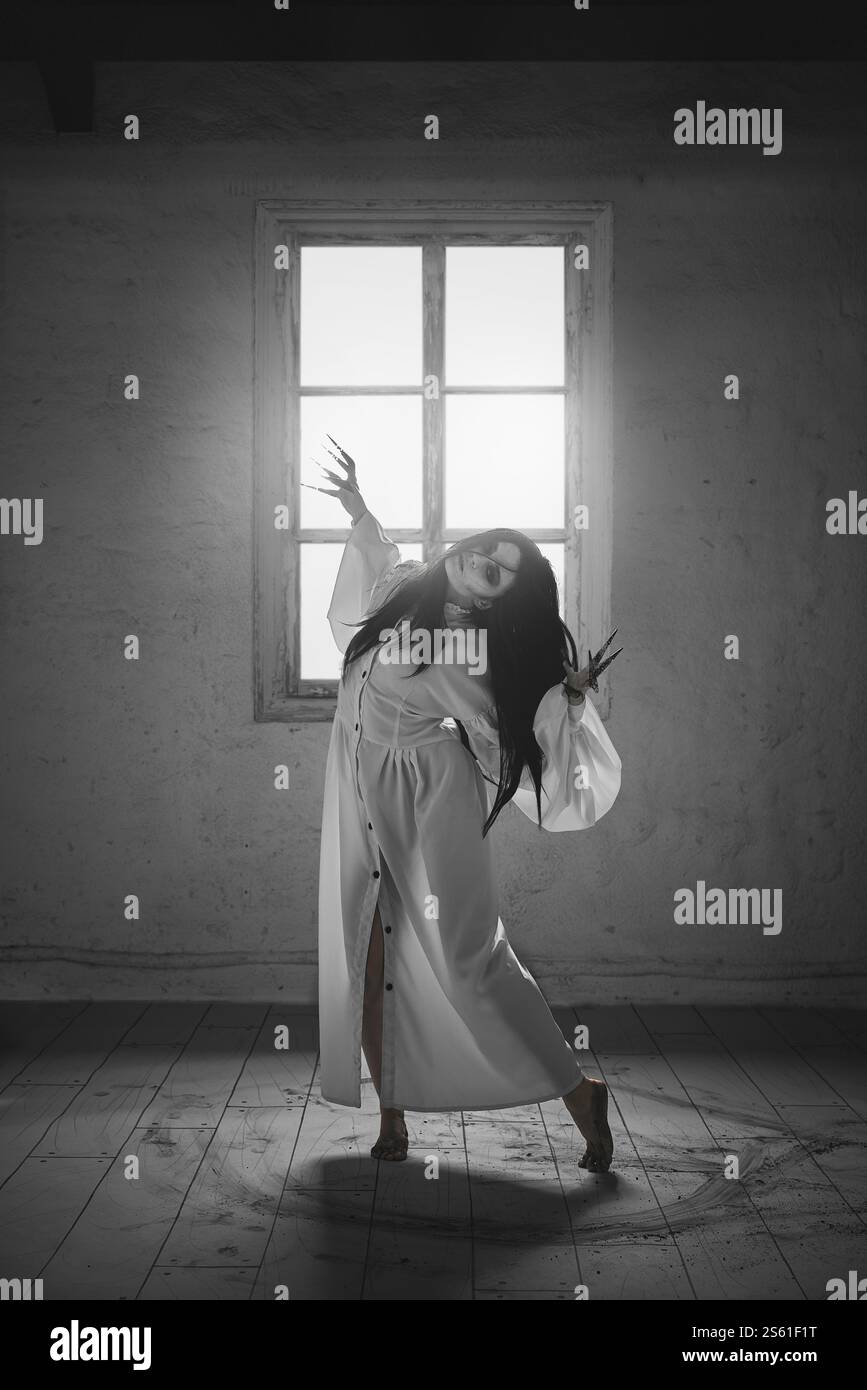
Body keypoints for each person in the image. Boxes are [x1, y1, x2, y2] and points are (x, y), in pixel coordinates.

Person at [309, 440, 622, 1172]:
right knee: (366, 948)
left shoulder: (472, 651)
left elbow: (511, 730)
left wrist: (565, 702)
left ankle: (580, 1095)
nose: (485, 562)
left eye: (500, 573)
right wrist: (356, 504)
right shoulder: (404, 589)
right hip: (356, 784)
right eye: (485, 549)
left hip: (429, 793)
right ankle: (391, 1114)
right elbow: (377, 556)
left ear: (494, 600)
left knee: (464, 957)